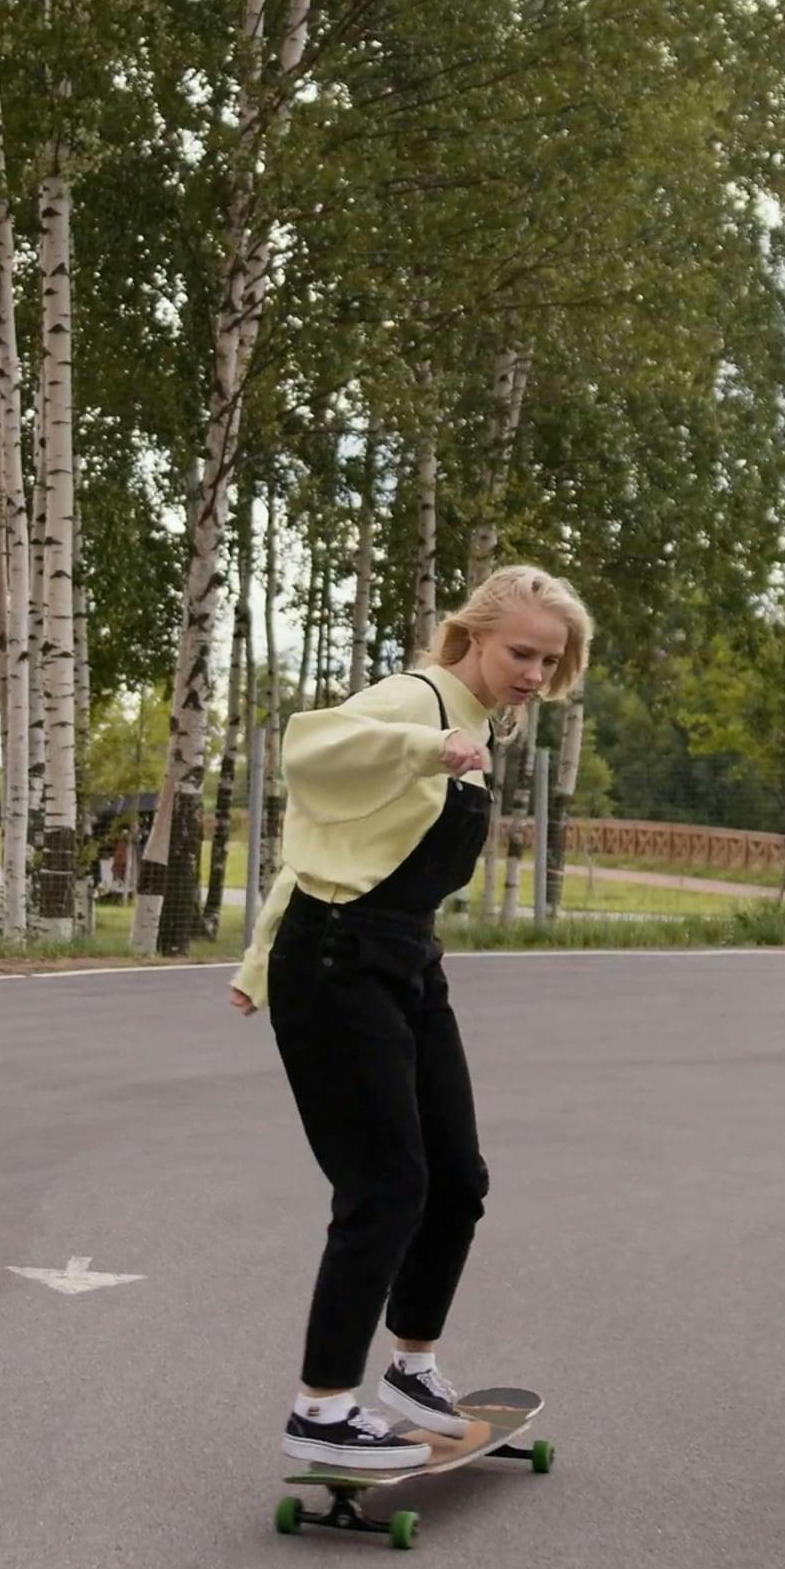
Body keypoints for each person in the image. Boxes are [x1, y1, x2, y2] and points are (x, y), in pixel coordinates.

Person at [231, 561, 592, 1472]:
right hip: (335, 961)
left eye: (549, 663)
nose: (533, 675)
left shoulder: (477, 724)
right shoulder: (412, 699)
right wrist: (422, 751)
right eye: (521, 653)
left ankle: (411, 1371)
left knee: (457, 1179)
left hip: (405, 960)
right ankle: (320, 1408)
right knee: (386, 1187)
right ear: (471, 635)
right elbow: (307, 760)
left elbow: (333, 839)